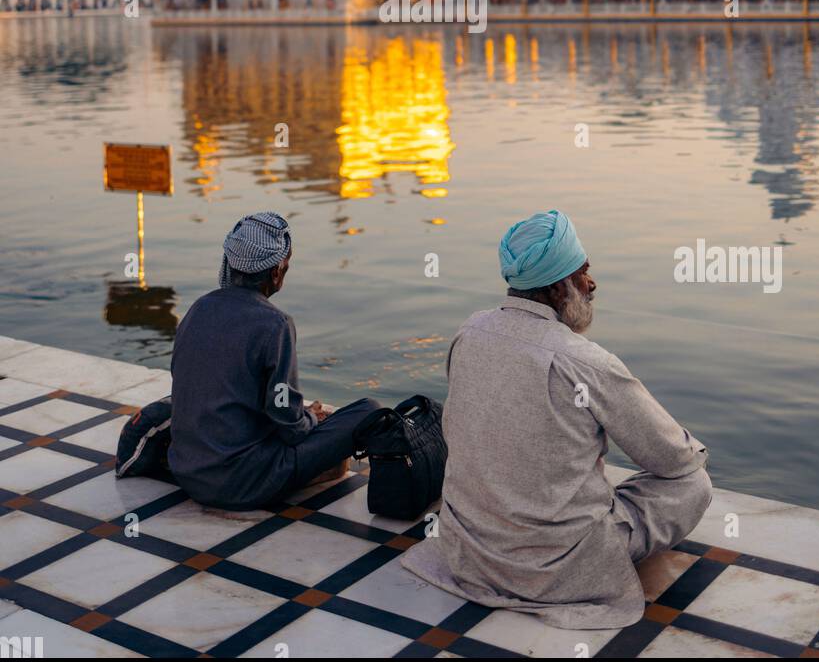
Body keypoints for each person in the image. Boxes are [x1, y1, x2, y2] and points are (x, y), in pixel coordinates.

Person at [402, 209, 712, 629]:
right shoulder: (586, 361)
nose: (591, 283)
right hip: (559, 565)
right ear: (557, 287)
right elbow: (673, 459)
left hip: (468, 554)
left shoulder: (469, 331)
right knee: (693, 484)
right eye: (583, 273)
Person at [168, 212, 379, 510]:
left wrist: (295, 412)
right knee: (368, 410)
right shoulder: (275, 324)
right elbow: (289, 426)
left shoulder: (198, 308)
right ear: (277, 272)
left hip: (187, 472)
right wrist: (308, 418)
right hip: (241, 484)